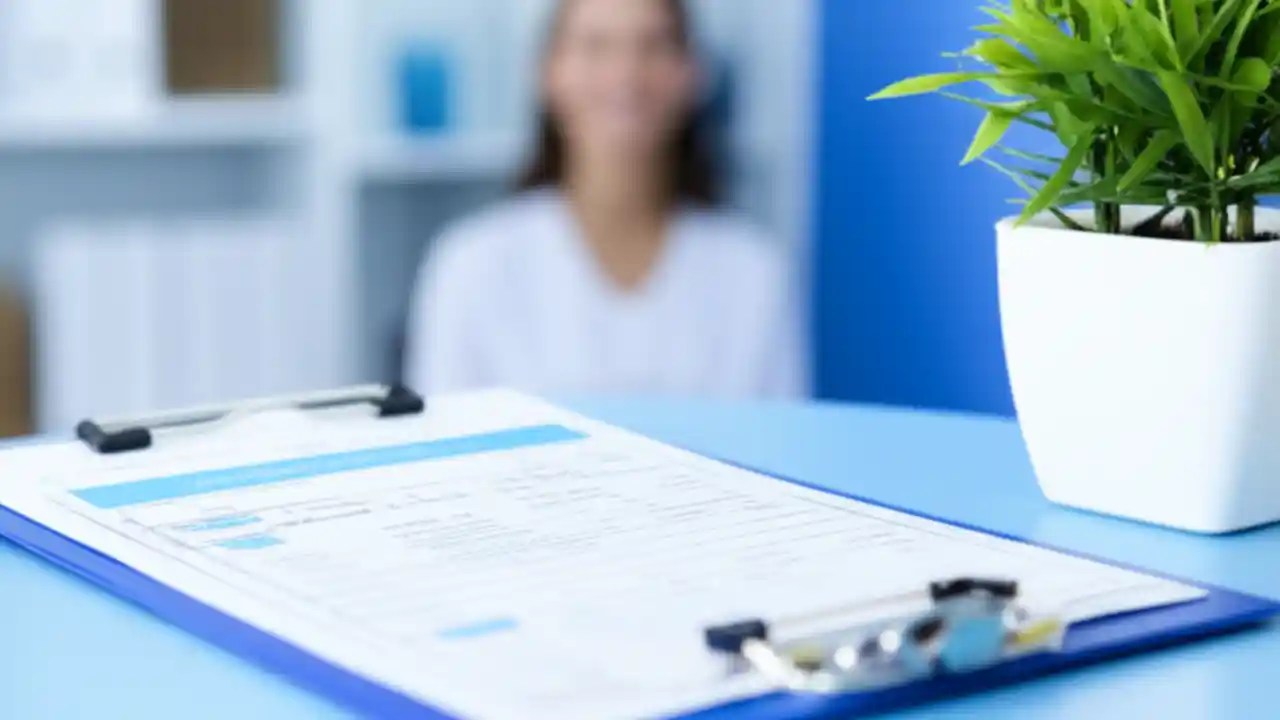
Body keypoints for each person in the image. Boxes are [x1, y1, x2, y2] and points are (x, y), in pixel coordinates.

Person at [405, 0, 805, 398]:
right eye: (596, 46)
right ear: (548, 72)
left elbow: (778, 429)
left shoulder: (752, 271)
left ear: (693, 75)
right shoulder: (472, 264)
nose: (626, 75)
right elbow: (447, 429)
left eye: (654, 46)